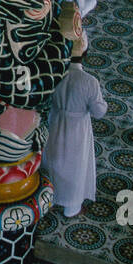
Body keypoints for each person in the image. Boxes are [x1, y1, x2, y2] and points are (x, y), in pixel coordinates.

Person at [45, 55, 109, 217]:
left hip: (54, 122)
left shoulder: (53, 73)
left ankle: (48, 201)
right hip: (77, 129)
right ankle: (72, 208)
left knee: (53, 160)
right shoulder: (89, 81)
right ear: (85, 55)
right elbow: (99, 112)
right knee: (75, 166)